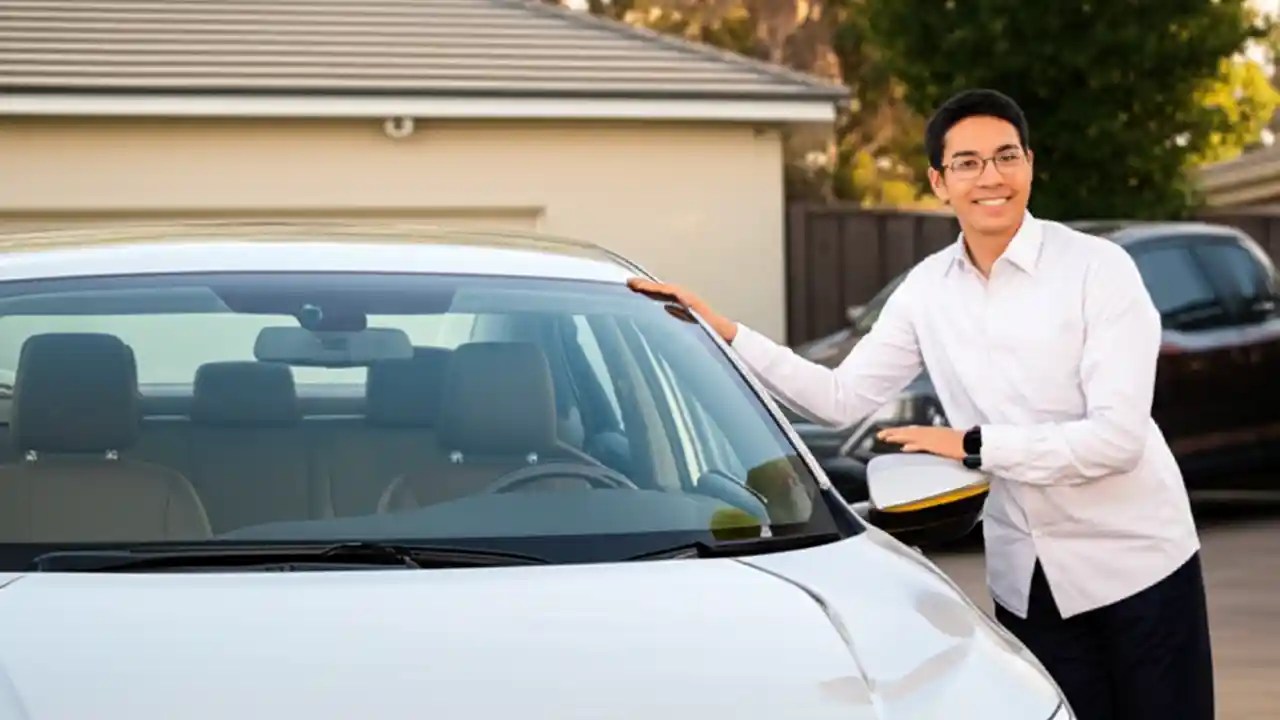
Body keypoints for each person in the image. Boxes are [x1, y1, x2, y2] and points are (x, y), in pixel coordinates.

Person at [628, 88, 1213, 720]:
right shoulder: (927, 289)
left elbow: (1117, 440)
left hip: (1139, 568)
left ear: (1029, 165)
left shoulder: (1100, 270)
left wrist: (971, 444)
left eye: (1005, 157)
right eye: (967, 163)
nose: (990, 177)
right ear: (939, 182)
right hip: (1029, 580)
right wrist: (726, 332)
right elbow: (840, 397)